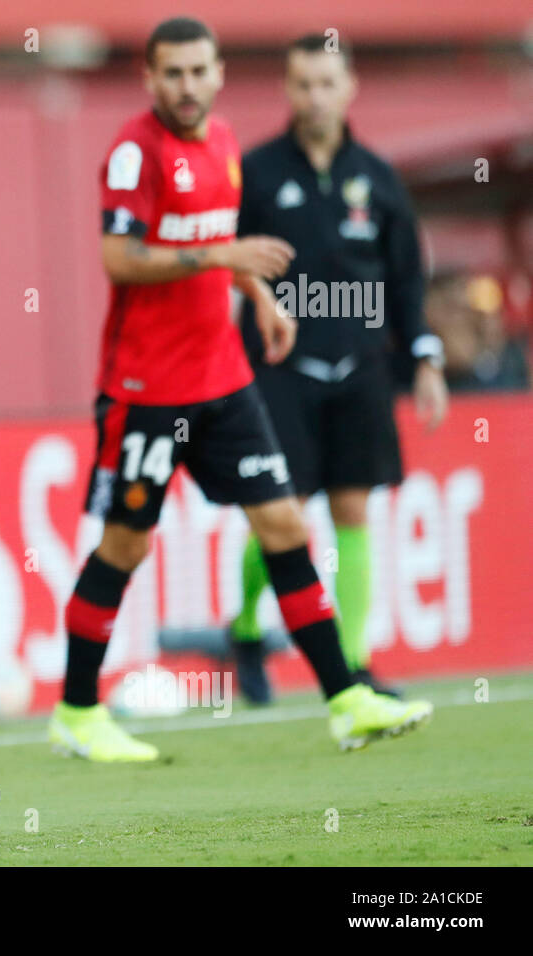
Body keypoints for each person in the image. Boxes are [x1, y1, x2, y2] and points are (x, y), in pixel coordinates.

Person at [46, 17, 434, 762]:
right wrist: (226, 253)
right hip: (147, 390)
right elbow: (120, 259)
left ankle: (345, 699)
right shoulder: (135, 153)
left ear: (219, 72)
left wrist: (258, 296)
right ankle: (76, 711)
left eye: (199, 72)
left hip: (224, 380)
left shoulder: (224, 143)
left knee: (286, 527)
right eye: (173, 74)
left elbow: (222, 247)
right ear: (150, 79)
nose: (187, 87)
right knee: (125, 546)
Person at [226, 34, 450, 703]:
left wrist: (426, 358)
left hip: (360, 367)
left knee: (353, 509)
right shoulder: (258, 173)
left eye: (327, 83)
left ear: (350, 88)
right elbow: (220, 261)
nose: (314, 96)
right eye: (302, 84)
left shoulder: (378, 179)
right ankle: (243, 629)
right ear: (286, 90)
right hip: (278, 368)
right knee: (282, 513)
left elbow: (407, 280)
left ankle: (353, 663)